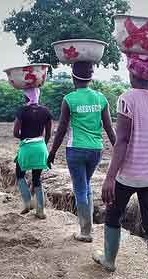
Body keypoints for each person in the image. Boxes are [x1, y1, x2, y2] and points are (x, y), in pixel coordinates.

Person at [92, 54, 148, 279]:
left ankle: (108, 260)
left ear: (131, 72)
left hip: (128, 173)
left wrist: (110, 177)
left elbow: (122, 142)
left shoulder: (127, 99)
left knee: (113, 213)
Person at [49, 62, 117, 242]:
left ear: (73, 78)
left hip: (76, 149)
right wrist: (120, 152)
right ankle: (88, 227)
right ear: (90, 78)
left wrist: (52, 152)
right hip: (95, 150)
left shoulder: (69, 99)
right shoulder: (101, 98)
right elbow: (110, 129)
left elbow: (62, 129)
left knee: (80, 188)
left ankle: (86, 232)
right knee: (86, 185)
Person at [13, 88, 52, 219]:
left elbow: (15, 133)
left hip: (26, 146)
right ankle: (40, 211)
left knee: (19, 174)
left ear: (26, 97)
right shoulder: (46, 111)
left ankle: (27, 203)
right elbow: (49, 133)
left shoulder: (22, 111)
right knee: (36, 178)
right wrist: (42, 145)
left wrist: (25, 138)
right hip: (40, 147)